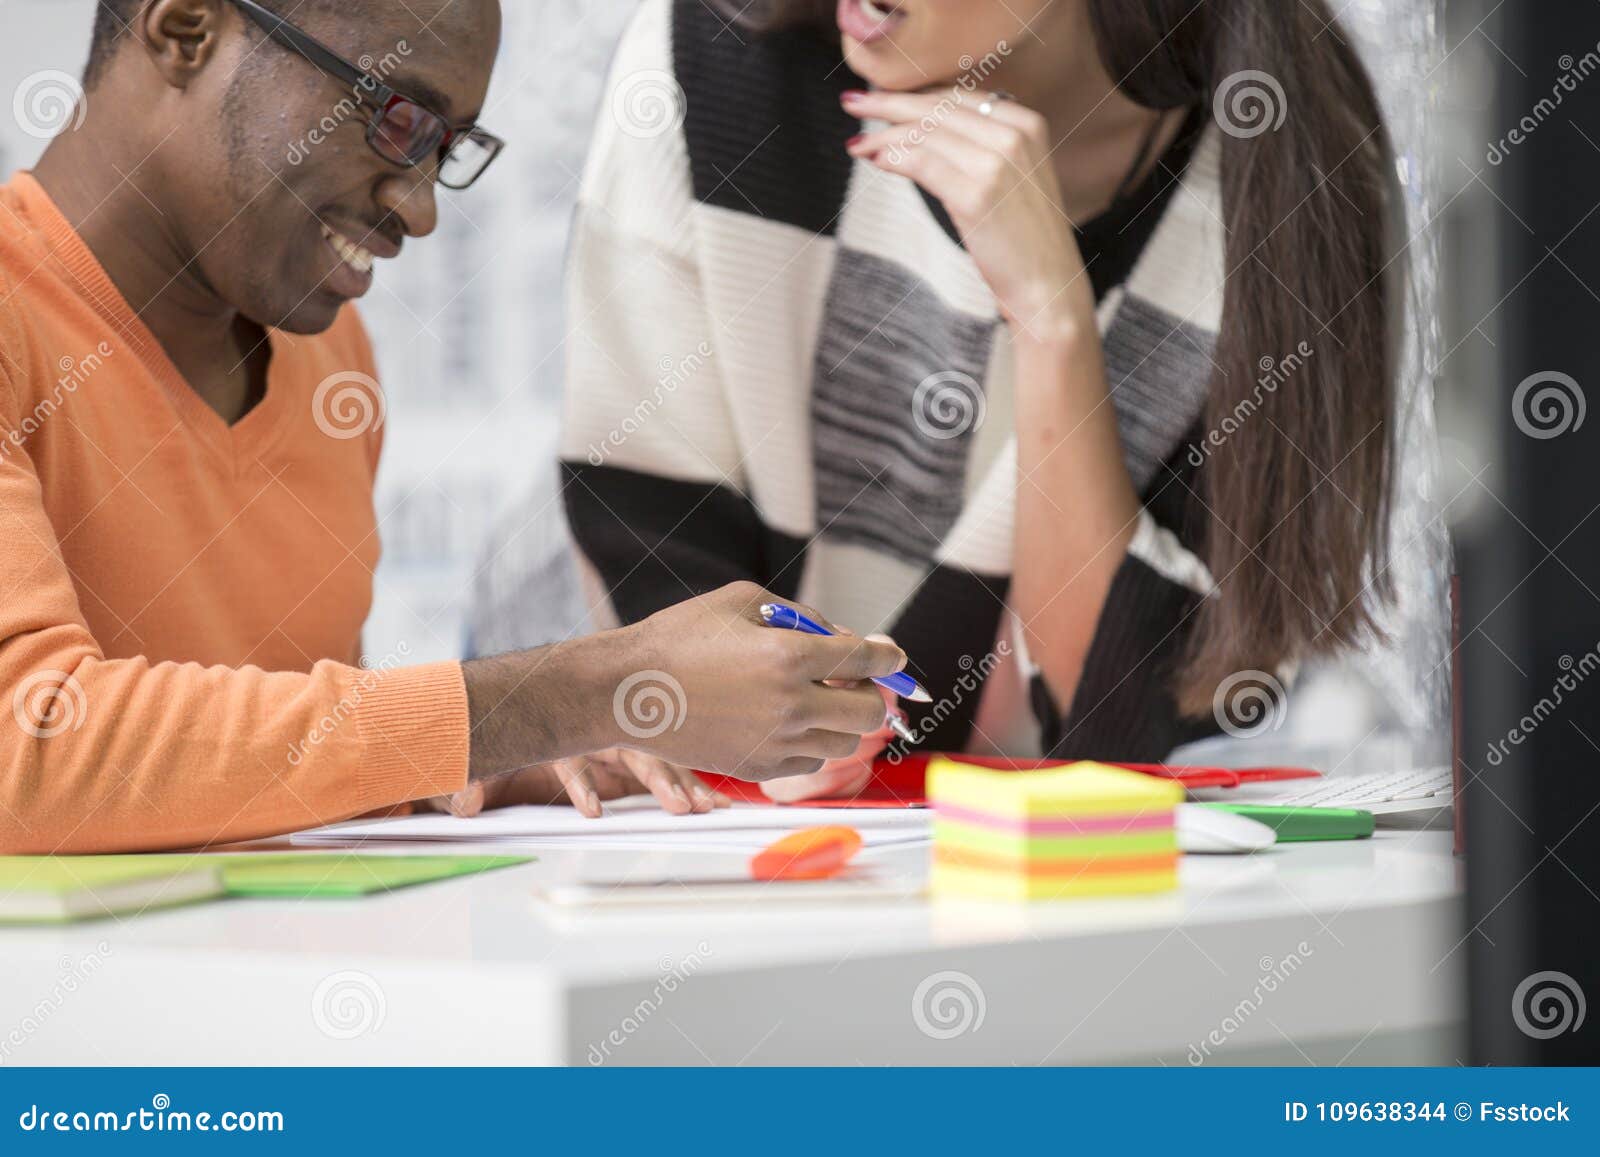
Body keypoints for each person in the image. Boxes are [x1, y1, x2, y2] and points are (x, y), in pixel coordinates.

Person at [0, 0, 908, 855]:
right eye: (398, 120)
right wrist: (560, 696)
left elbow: (251, 779)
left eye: (449, 148)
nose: (420, 208)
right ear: (185, 29)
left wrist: (491, 767)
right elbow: (25, 755)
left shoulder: (328, 362)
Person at [559, 0, 1402, 801]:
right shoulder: (707, 55)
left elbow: (1122, 723)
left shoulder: (1288, 159)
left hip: (1057, 884)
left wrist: (1050, 316)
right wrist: (767, 739)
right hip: (714, 847)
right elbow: (665, 646)